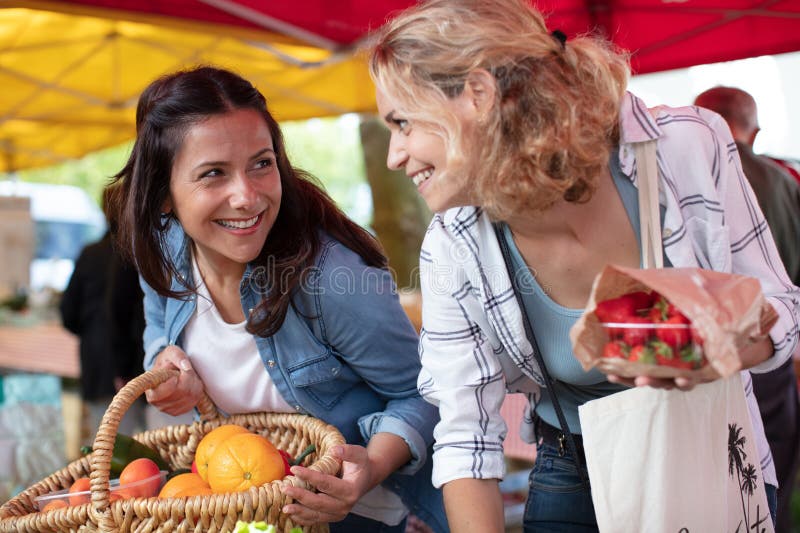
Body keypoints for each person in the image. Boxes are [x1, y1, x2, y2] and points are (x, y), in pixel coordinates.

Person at [368, 0, 800, 531]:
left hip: (711, 446)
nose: (394, 154)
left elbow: (780, 305)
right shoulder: (453, 243)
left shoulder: (685, 146)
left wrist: (719, 349)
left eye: (403, 123)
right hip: (572, 469)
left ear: (477, 95)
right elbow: (465, 436)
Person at [109, 66, 446, 533]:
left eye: (261, 163)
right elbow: (157, 326)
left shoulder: (331, 277)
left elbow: (424, 393)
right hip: (234, 508)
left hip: (345, 514)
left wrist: (370, 466)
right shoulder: (165, 247)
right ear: (164, 196)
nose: (246, 196)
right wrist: (164, 360)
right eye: (213, 174)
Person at [694, 86, 800, 533]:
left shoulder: (682, 175)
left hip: (705, 363)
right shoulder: (783, 180)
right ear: (751, 130)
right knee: (771, 472)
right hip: (772, 348)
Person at [60, 185, 146, 445]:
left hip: (99, 362)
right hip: (132, 365)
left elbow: (68, 312)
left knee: (110, 449)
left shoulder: (90, 253)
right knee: (142, 449)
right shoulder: (139, 251)